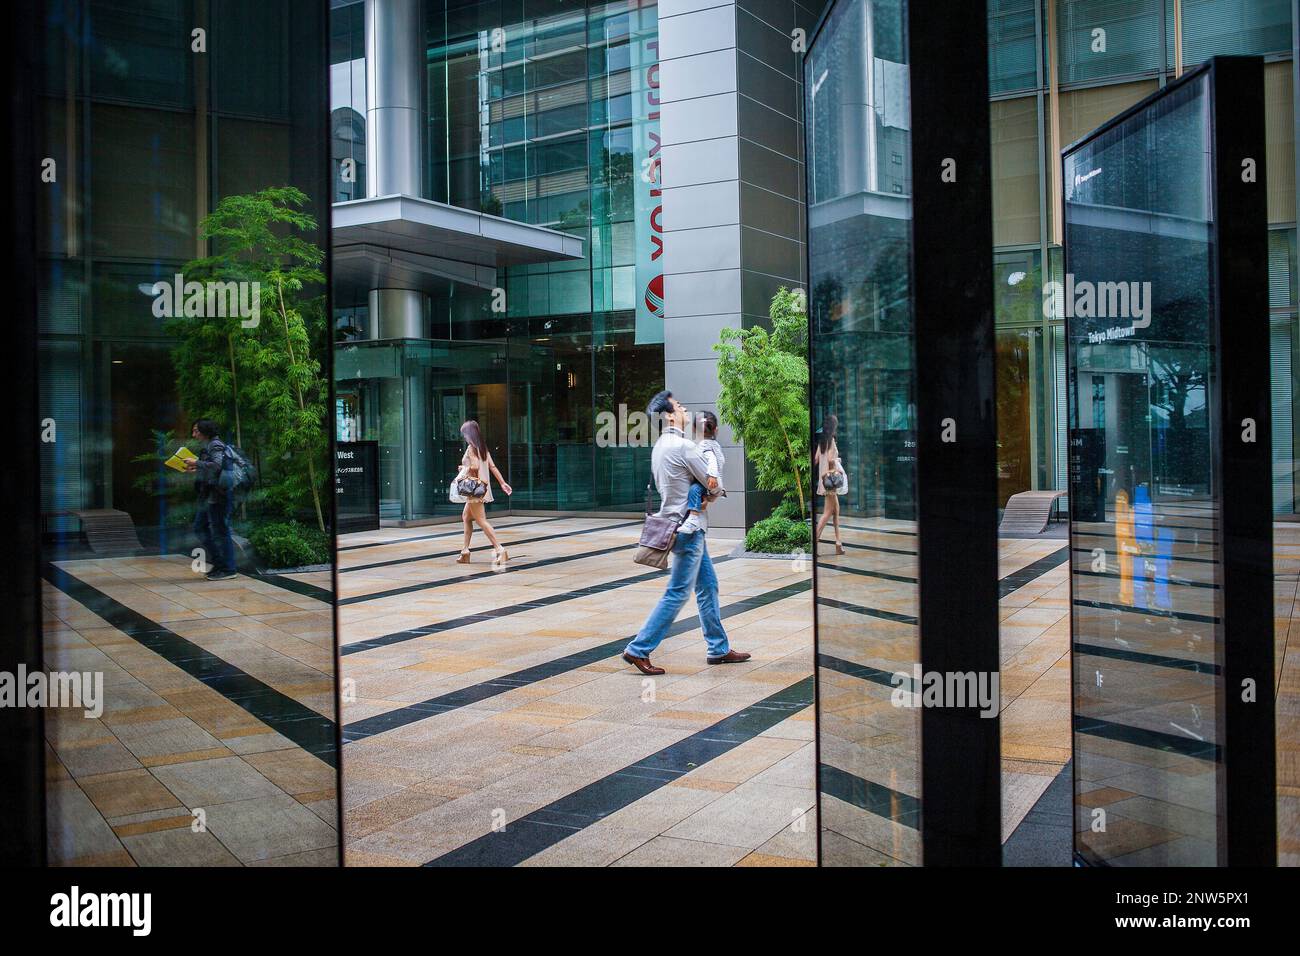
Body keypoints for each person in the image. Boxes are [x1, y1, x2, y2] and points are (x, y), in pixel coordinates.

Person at [622, 391, 750, 676]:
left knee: (708, 586)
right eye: (679, 406)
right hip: (688, 530)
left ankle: (718, 648)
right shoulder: (684, 446)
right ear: (669, 415)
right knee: (678, 592)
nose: (684, 407)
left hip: (676, 525)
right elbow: (712, 484)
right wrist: (713, 492)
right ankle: (639, 648)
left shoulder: (660, 447)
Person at [185, 419, 238, 580]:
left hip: (218, 496)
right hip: (209, 495)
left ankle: (228, 568)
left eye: (196, 431)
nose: (194, 434)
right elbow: (211, 468)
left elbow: (216, 466)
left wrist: (196, 462)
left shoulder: (215, 445)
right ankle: (220, 564)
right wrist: (196, 468)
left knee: (220, 531)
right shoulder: (209, 446)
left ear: (205, 431)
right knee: (200, 528)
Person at [456, 419, 512, 564]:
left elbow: (473, 467)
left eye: (465, 434)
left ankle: (500, 549)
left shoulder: (471, 448)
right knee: (466, 517)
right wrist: (502, 483)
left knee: (481, 520)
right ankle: (465, 551)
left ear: (470, 434)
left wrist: (463, 469)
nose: (464, 437)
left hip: (473, 490)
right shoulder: (482, 448)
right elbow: (492, 467)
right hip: (480, 489)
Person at [681, 410, 724, 534]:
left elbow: (711, 458)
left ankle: (693, 518)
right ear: (716, 429)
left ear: (694, 429)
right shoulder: (714, 444)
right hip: (713, 483)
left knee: (694, 488)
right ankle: (694, 517)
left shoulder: (702, 444)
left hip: (710, 479)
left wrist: (712, 475)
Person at [814, 414, 846, 555]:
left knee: (836, 511)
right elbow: (831, 460)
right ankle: (814, 543)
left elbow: (816, 459)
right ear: (833, 427)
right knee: (827, 513)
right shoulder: (831, 440)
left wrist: (825, 465)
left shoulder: (822, 441)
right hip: (831, 483)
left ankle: (838, 543)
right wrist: (836, 465)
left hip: (825, 480)